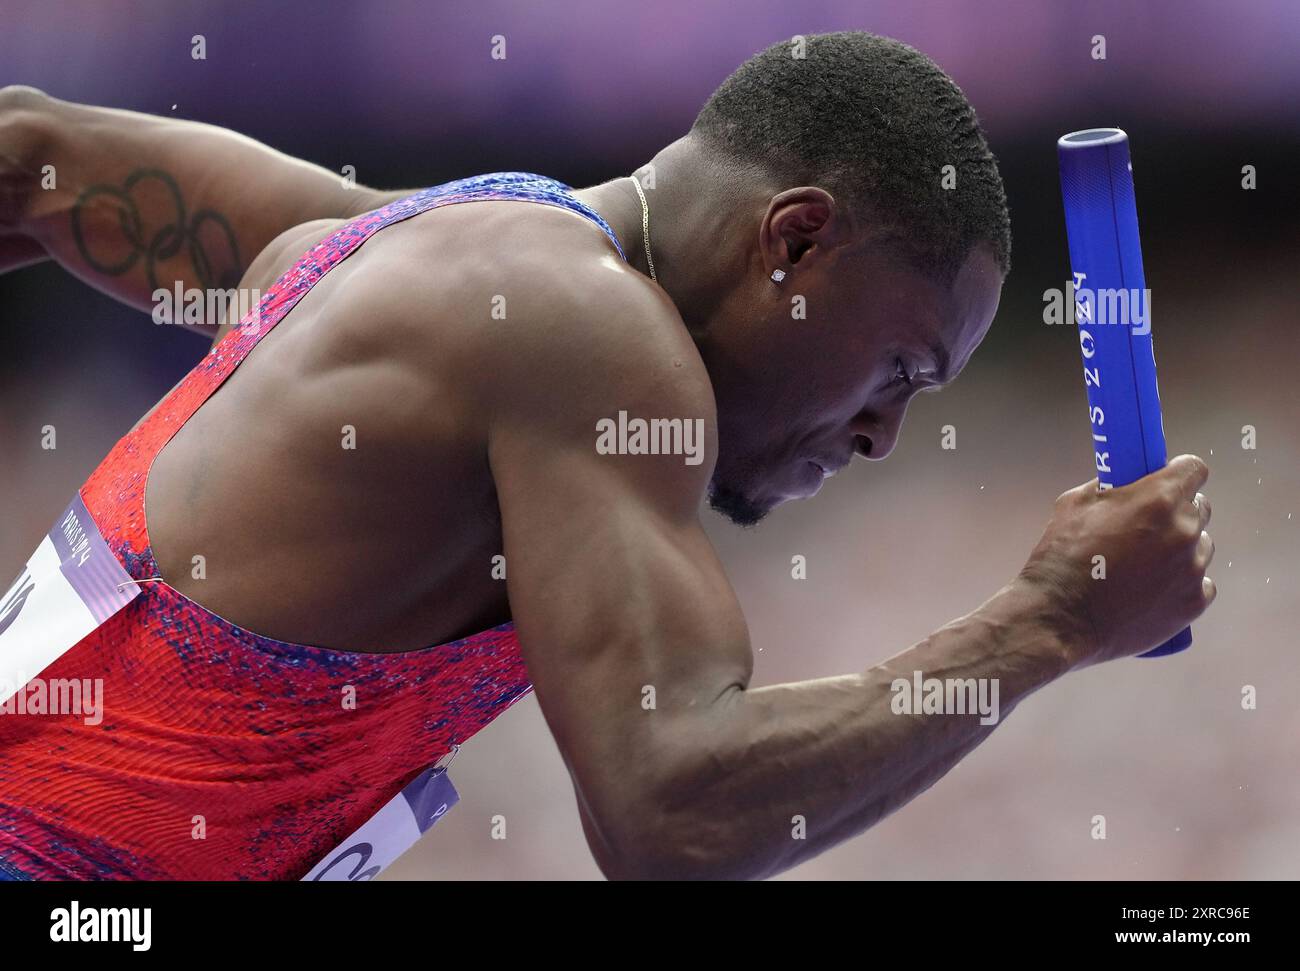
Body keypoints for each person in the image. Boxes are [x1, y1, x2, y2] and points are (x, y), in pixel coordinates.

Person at [0, 31, 1214, 880]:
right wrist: (1050, 620)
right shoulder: (583, 331)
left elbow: (31, 150)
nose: (879, 435)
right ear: (792, 241)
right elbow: (672, 812)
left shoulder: (424, 244)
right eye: (899, 368)